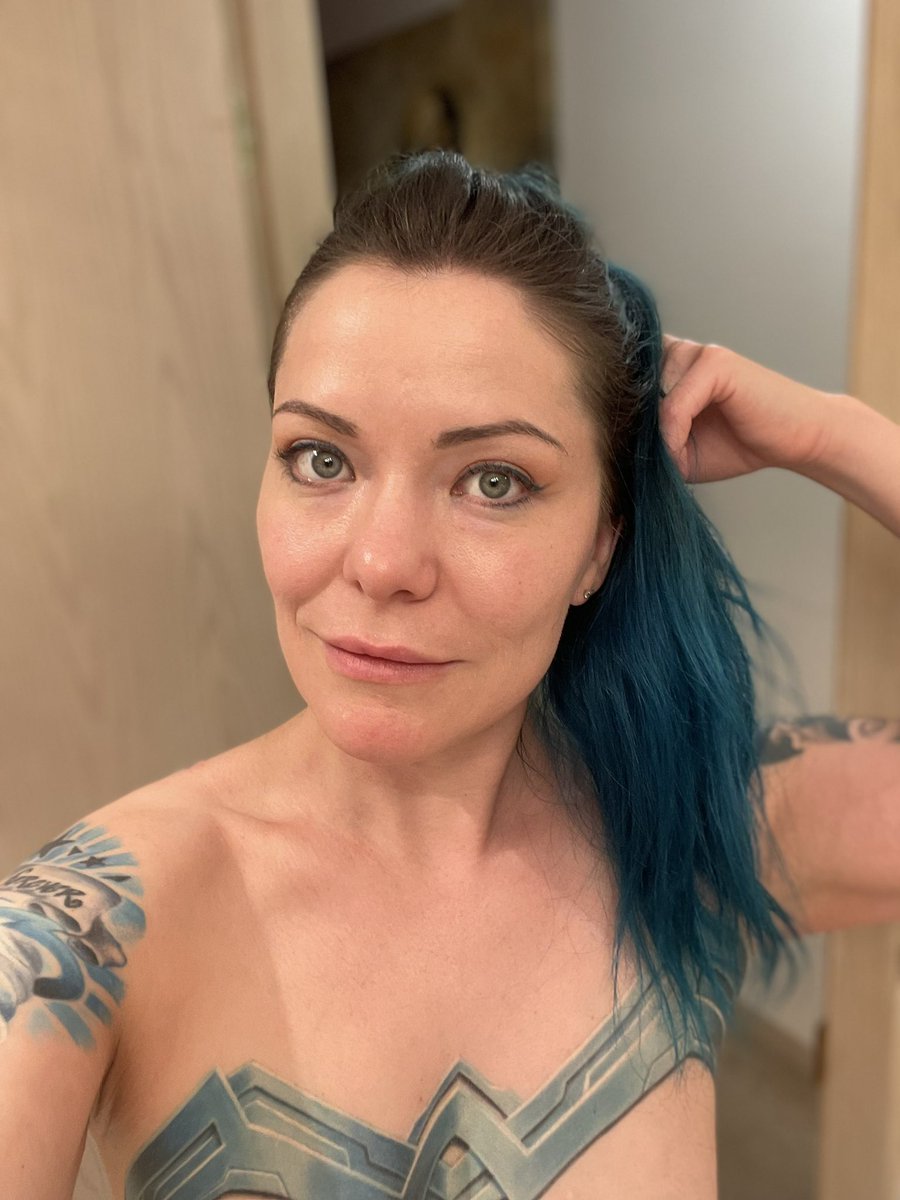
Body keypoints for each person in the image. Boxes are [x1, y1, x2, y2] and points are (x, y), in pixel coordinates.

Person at [1, 149, 898, 1200]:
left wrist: (840, 434)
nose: (382, 563)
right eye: (321, 459)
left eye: (493, 480)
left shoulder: (685, 823)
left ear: (600, 546)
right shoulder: (85, 938)